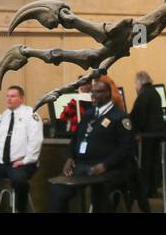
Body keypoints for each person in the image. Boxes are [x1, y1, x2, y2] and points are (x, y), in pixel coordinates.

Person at [48, 79, 134, 212]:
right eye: (92, 92)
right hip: (82, 166)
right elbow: (74, 140)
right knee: (58, 189)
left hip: (107, 168)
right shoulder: (88, 114)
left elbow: (126, 148)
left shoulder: (119, 117)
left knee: (98, 191)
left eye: (98, 92)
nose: (93, 95)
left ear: (107, 94)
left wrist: (105, 165)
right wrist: (70, 158)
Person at [0, 86, 43, 212]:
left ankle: (21, 209)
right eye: (7, 96)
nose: (9, 99)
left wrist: (26, 160)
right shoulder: (2, 117)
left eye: (13, 96)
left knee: (19, 182)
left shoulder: (31, 114)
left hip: (21, 164)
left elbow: (36, 140)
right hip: (0, 164)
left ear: (21, 98)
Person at [130, 71, 166, 207]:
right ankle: (153, 190)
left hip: (146, 136)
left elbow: (138, 117)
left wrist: (135, 131)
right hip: (157, 134)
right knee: (154, 164)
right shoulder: (155, 93)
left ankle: (143, 192)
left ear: (139, 82)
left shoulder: (143, 95)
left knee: (144, 165)